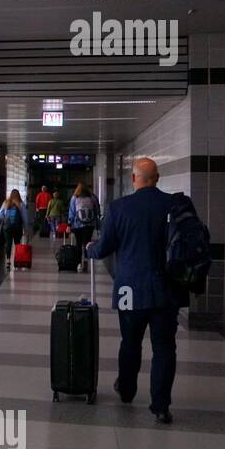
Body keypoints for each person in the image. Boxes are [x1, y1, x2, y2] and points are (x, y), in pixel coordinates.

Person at [85, 157, 189, 425]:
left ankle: (127, 389)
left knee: (130, 341)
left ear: (134, 179)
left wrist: (90, 249)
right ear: (158, 178)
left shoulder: (120, 208)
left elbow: (104, 247)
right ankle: (161, 406)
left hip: (129, 289)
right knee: (164, 347)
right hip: (166, 289)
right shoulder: (173, 205)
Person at [68, 183, 101, 271]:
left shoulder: (74, 198)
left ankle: (79, 263)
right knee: (87, 243)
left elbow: (72, 212)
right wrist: (97, 223)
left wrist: (69, 224)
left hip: (77, 225)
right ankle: (86, 260)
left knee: (78, 244)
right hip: (89, 225)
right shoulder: (92, 197)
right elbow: (97, 211)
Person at [0, 189, 28, 269]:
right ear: (18, 195)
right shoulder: (21, 204)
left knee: (8, 243)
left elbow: (0, 215)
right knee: (17, 243)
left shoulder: (6, 203)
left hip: (7, 227)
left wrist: (5, 219)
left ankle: (8, 261)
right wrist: (26, 229)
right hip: (17, 227)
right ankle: (17, 260)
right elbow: (25, 218)